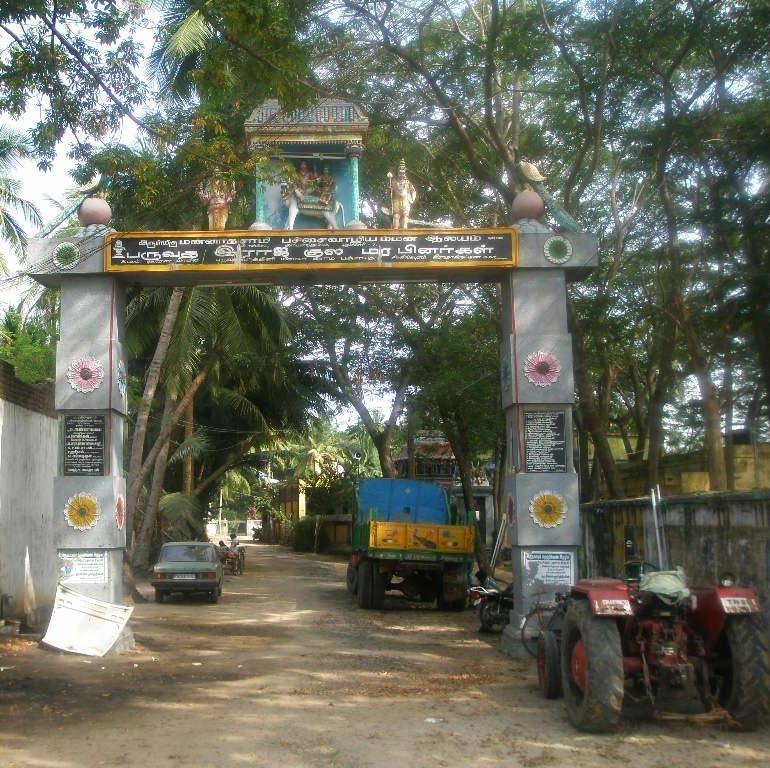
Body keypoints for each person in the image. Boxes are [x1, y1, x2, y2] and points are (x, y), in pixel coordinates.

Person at [388, 159, 417, 229]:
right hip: (396, 200)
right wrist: (389, 190)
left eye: (403, 173)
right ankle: (395, 232)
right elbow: (390, 194)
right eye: (400, 173)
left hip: (406, 200)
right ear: (398, 173)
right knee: (396, 216)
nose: (401, 174)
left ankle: (404, 231)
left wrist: (412, 199)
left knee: (405, 216)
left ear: (405, 174)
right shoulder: (394, 182)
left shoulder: (408, 183)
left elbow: (413, 191)